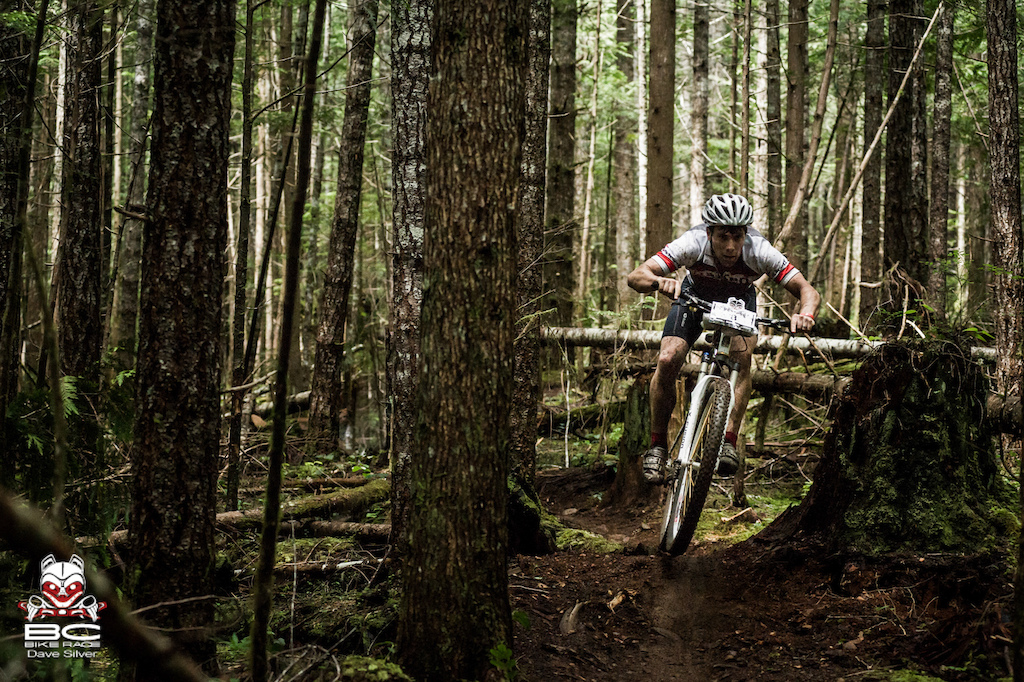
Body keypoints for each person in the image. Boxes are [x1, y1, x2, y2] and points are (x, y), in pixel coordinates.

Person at [627, 193, 821, 483]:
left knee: (741, 361)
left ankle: (728, 440)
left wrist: (805, 313)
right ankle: (657, 446)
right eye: (723, 237)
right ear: (709, 232)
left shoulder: (760, 251)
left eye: (737, 236)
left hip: (738, 303)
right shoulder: (692, 243)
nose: (731, 246)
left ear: (746, 233)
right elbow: (636, 277)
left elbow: (808, 290)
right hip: (694, 298)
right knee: (668, 358)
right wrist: (659, 281)